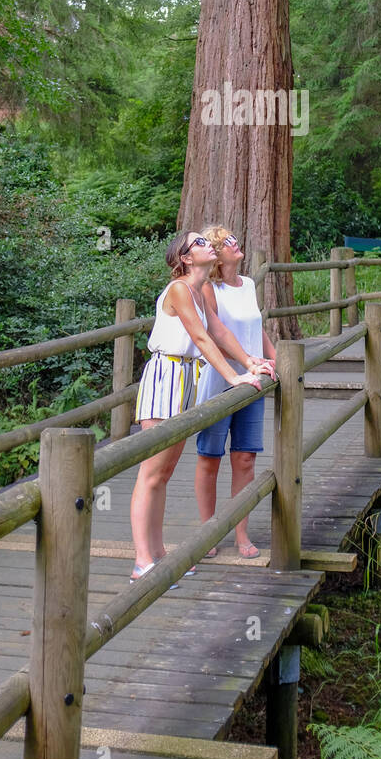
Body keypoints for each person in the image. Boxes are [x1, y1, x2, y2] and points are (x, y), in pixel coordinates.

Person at [129, 231, 273, 582]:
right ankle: (141, 560)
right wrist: (233, 377)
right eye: (199, 243)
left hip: (187, 380)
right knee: (151, 471)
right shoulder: (179, 289)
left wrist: (251, 363)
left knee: (165, 472)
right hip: (166, 376)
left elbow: (221, 333)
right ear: (186, 258)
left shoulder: (197, 292)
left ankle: (160, 551)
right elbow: (200, 337)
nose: (209, 244)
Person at [194, 226, 277, 559]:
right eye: (227, 242)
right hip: (220, 382)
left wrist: (275, 360)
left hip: (253, 381)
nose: (235, 243)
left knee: (245, 457)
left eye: (234, 239)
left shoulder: (249, 285)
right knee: (209, 458)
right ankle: (208, 531)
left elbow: (257, 328)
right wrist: (244, 364)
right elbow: (216, 335)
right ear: (217, 252)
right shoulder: (209, 290)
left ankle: (241, 533)